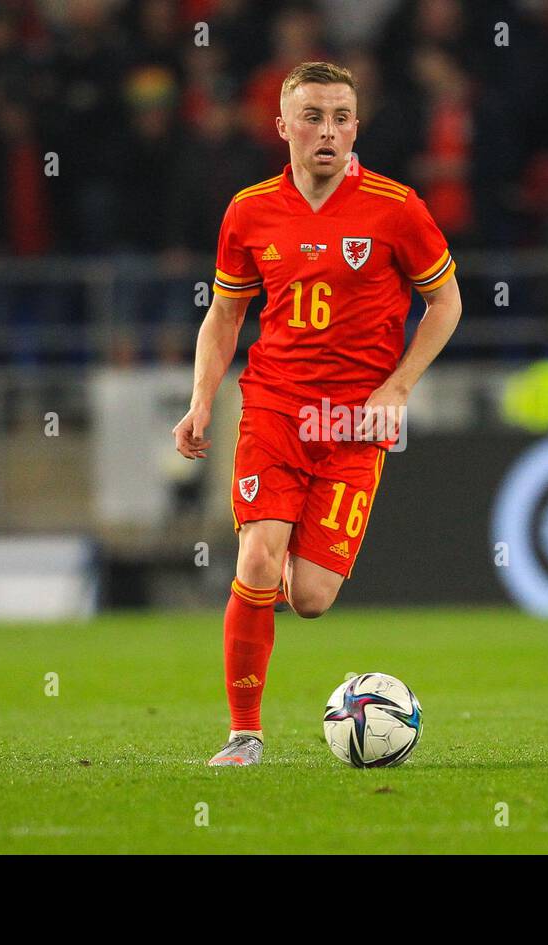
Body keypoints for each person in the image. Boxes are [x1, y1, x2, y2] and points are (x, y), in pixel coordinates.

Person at [172, 61, 463, 767]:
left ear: (356, 127)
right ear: (283, 127)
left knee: (310, 596)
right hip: (274, 406)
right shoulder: (248, 211)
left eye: (339, 117)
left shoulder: (397, 207)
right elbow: (225, 315)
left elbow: (446, 303)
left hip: (356, 424)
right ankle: (245, 735)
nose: (326, 131)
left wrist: (398, 386)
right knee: (259, 556)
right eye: (311, 116)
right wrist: (202, 395)